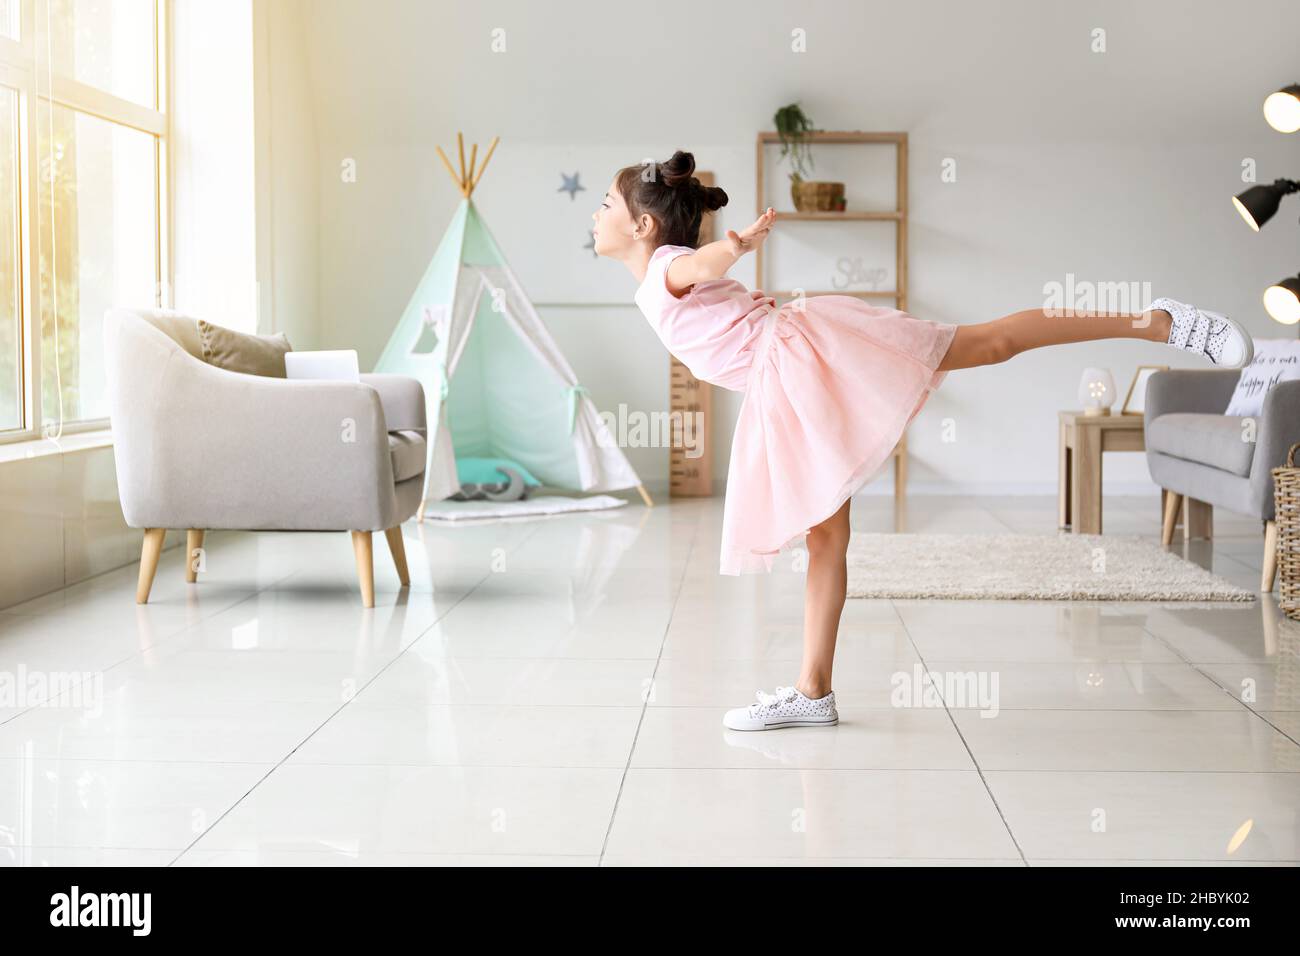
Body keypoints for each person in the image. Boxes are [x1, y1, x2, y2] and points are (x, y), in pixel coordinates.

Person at [591, 150, 1254, 732]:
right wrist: (727, 254)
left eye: (606, 204)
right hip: (788, 383)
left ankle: (1161, 321)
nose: (596, 215)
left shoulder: (666, 268)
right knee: (826, 537)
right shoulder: (655, 279)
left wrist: (731, 249)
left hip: (805, 356)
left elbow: (697, 267)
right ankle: (812, 691)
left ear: (643, 226)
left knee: (988, 343)